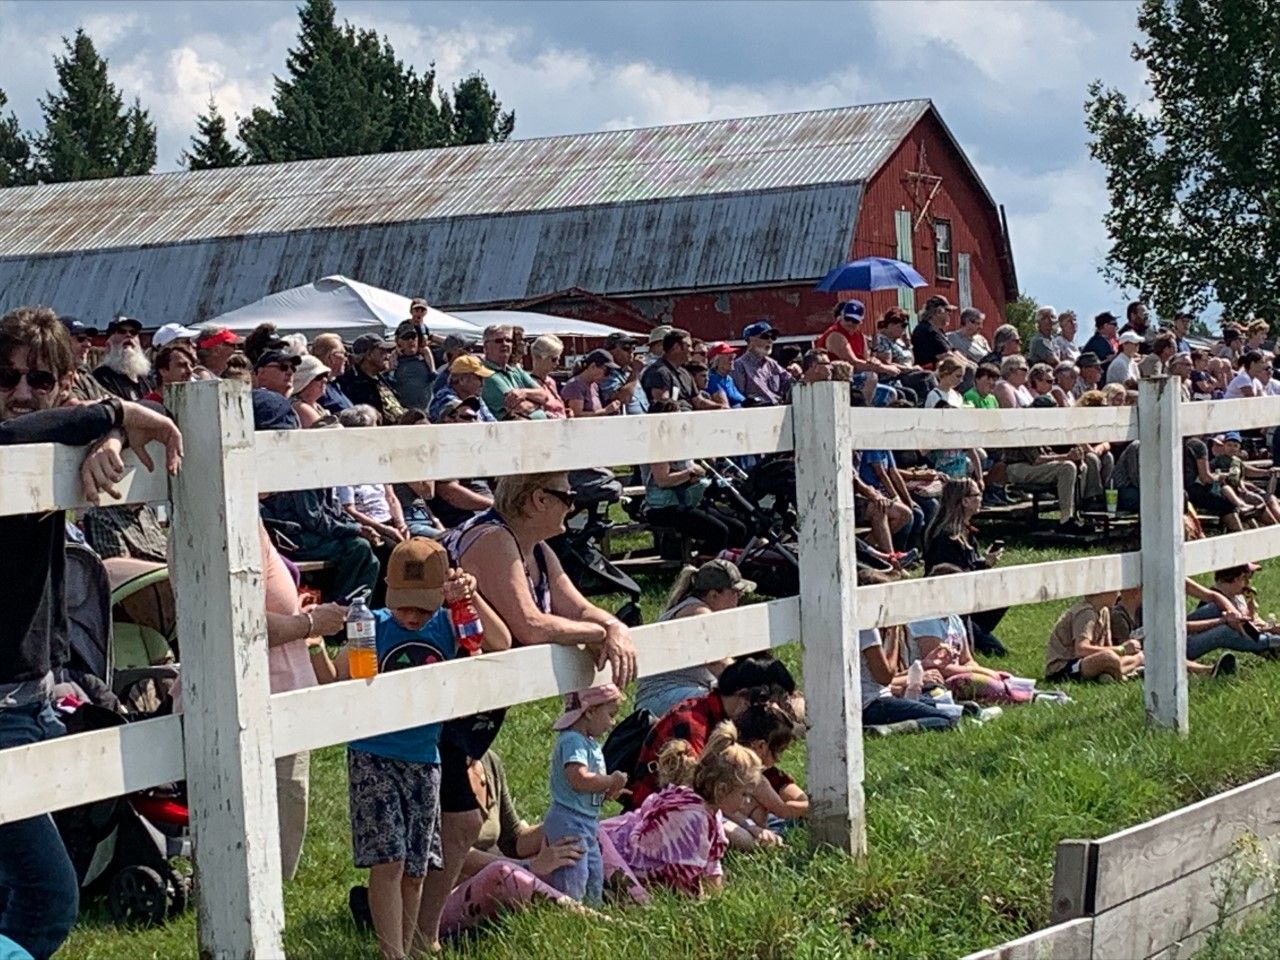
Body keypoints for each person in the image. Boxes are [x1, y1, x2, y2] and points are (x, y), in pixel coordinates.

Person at [0, 305, 183, 960]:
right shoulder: (12, 449)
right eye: (6, 376)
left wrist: (101, 442)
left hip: (39, 702)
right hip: (3, 716)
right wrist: (118, 418)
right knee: (49, 899)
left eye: (40, 380)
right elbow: (12, 439)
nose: (22, 392)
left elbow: (46, 434)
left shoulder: (50, 447)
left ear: (65, 387)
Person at [425, 471, 637, 946]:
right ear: (538, 499)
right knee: (454, 826)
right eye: (566, 497)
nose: (573, 506)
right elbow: (530, 625)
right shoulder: (494, 539)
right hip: (442, 697)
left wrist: (611, 627)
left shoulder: (537, 549)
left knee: (455, 827)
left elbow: (579, 608)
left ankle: (420, 935)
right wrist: (600, 634)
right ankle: (421, 938)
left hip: (472, 707)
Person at [340, 539, 509, 959]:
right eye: (404, 606)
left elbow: (500, 643)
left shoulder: (448, 624)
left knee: (416, 867)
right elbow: (341, 672)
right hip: (374, 754)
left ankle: (413, 945)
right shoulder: (374, 624)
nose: (412, 617)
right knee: (389, 861)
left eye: (422, 607)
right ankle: (391, 952)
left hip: (424, 758)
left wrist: (468, 598)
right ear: (388, 588)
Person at [258, 519, 347, 880]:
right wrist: (311, 624)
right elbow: (237, 621)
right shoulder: (228, 520)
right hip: (263, 698)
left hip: (283, 691)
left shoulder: (253, 518)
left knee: (288, 806)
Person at [601, 722, 762, 896]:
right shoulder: (691, 816)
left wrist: (717, 896)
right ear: (721, 789)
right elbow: (682, 882)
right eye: (744, 794)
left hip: (626, 855)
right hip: (612, 856)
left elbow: (712, 863)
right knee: (641, 902)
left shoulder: (710, 811)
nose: (747, 802)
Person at [629, 657, 795, 811]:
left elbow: (753, 771)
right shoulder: (692, 723)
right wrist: (749, 826)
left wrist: (792, 795)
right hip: (659, 814)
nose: (766, 715)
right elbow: (696, 790)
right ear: (744, 696)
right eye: (764, 705)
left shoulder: (733, 720)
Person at [634, 559, 755, 717]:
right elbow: (718, 662)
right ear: (713, 595)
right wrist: (753, 685)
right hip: (663, 696)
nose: (738, 599)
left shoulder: (694, 607)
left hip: (682, 691)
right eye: (734, 593)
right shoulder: (699, 613)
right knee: (735, 703)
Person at [544, 684, 627, 904]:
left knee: (594, 871)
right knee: (574, 873)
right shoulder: (572, 741)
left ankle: (592, 910)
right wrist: (610, 780)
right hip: (569, 820)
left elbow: (588, 785)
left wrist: (609, 790)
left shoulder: (589, 743)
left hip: (585, 820)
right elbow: (578, 779)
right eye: (610, 715)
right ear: (589, 711)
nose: (613, 722)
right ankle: (570, 913)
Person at [905, 565, 1029, 703]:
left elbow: (966, 659)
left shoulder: (954, 619)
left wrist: (985, 671)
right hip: (936, 679)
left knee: (1006, 678)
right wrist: (985, 673)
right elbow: (937, 665)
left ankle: (1030, 695)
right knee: (993, 686)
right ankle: (1017, 696)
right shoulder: (926, 620)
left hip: (958, 673)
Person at [642, 399, 748, 555]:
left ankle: (730, 566)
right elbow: (662, 480)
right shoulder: (658, 446)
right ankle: (707, 571)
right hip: (663, 507)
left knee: (738, 528)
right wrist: (690, 473)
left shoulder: (679, 443)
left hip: (688, 499)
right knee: (719, 531)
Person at [922, 479, 1009, 656]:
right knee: (997, 652)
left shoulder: (965, 533)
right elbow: (949, 577)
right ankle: (973, 633)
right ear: (964, 501)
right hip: (950, 608)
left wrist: (983, 562)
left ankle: (976, 632)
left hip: (966, 601)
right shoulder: (945, 539)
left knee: (1004, 593)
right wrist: (983, 565)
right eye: (977, 495)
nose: (981, 498)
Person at [858, 624, 957, 728]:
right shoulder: (867, 630)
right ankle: (891, 729)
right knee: (948, 719)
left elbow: (875, 675)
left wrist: (923, 665)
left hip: (879, 701)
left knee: (957, 709)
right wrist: (894, 636)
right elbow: (885, 678)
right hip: (874, 704)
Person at [1045, 592, 1143, 683]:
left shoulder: (1104, 611)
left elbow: (1107, 646)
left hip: (1089, 660)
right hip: (1065, 667)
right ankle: (1128, 671)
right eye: (1115, 590)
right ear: (1103, 592)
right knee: (1109, 657)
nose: (1118, 594)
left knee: (1117, 656)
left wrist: (1120, 651)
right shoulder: (1085, 613)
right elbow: (1081, 649)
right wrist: (1122, 649)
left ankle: (1112, 672)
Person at [480, 324, 549, 420]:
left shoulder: (515, 370)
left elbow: (545, 396)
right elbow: (521, 407)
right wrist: (539, 404)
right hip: (514, 431)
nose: (504, 344)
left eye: (508, 340)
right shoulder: (486, 373)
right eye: (499, 341)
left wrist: (524, 393)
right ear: (486, 346)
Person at [340, 334, 405, 424]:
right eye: (382, 351)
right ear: (369, 355)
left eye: (388, 351)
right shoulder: (354, 385)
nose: (388, 355)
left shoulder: (381, 380)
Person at [730, 321, 794, 405]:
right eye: (765, 336)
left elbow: (790, 383)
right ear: (751, 340)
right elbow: (739, 398)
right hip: (757, 413)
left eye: (773, 337)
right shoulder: (739, 365)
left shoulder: (772, 364)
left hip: (778, 409)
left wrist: (797, 373)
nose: (770, 341)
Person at [93, 315, 154, 401]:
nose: (128, 335)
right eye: (122, 331)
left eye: (133, 332)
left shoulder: (146, 378)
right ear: (109, 342)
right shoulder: (102, 376)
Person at [645, 328, 706, 410]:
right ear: (676, 347)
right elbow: (663, 406)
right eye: (688, 346)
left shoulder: (685, 373)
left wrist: (721, 407)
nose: (691, 350)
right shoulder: (658, 372)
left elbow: (699, 402)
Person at [430, 355, 498, 424]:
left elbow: (493, 423)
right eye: (479, 378)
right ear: (462, 379)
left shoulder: (477, 399)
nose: (482, 384)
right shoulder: (444, 398)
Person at [559, 348, 622, 418]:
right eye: (606, 371)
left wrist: (609, 412)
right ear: (593, 366)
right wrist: (605, 411)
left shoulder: (594, 386)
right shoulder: (575, 386)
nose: (608, 376)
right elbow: (577, 415)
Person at [392, 319, 435, 412]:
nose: (411, 340)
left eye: (413, 336)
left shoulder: (427, 358)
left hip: (427, 415)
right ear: (398, 341)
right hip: (403, 416)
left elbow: (454, 346)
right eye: (406, 337)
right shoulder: (391, 361)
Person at [598, 332, 645, 415]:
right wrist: (635, 372)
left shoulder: (629, 372)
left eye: (633, 348)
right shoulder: (605, 373)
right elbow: (621, 399)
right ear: (610, 350)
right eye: (626, 348)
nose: (631, 352)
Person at [310, 333, 354, 414]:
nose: (346, 359)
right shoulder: (317, 387)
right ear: (330, 357)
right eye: (343, 354)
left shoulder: (334, 384)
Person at [910, 295, 957, 370]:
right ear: (938, 312)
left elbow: (953, 351)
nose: (949, 314)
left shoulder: (938, 330)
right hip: (928, 370)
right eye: (948, 311)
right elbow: (946, 354)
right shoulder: (926, 330)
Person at [527, 335, 568, 419]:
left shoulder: (551, 381)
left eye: (558, 359)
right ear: (540, 357)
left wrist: (565, 412)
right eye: (554, 359)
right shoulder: (528, 382)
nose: (557, 363)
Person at [290, 354, 333, 428]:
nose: (325, 380)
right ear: (304, 381)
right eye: (319, 377)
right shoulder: (299, 406)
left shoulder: (315, 405)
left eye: (325, 375)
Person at [705, 342, 746, 407]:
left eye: (733, 356)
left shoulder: (729, 379)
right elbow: (724, 406)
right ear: (716, 360)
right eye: (729, 356)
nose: (732, 359)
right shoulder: (712, 379)